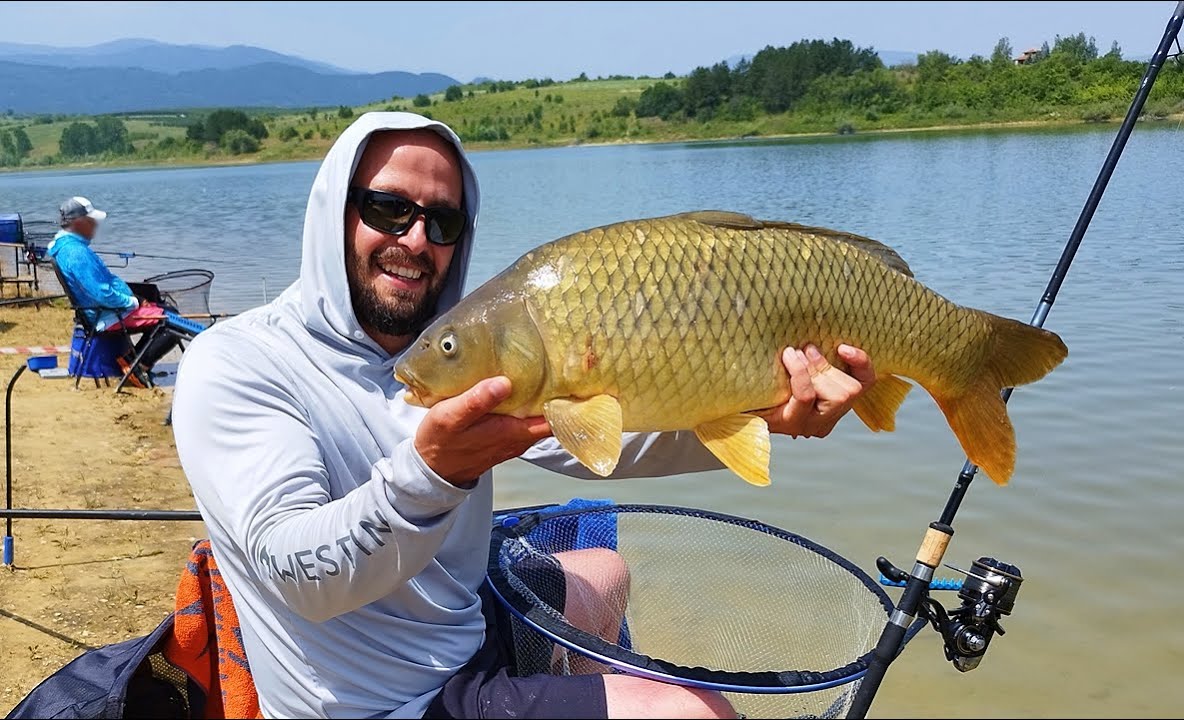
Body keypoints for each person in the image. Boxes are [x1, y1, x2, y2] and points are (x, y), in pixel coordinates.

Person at [171, 113, 878, 720]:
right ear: (334, 212)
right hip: (388, 704)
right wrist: (434, 476)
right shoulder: (240, 364)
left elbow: (604, 442)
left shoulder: (465, 353)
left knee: (604, 572)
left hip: (463, 635)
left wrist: (769, 417)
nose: (415, 240)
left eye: (442, 221)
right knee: (698, 712)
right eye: (388, 209)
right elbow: (300, 578)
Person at [47, 196, 187, 385]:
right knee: (173, 322)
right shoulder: (76, 253)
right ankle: (137, 367)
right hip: (106, 315)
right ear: (79, 223)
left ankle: (133, 359)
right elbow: (101, 294)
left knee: (162, 305)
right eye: (91, 221)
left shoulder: (66, 246)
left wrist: (134, 297)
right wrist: (132, 302)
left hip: (104, 310)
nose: (95, 226)